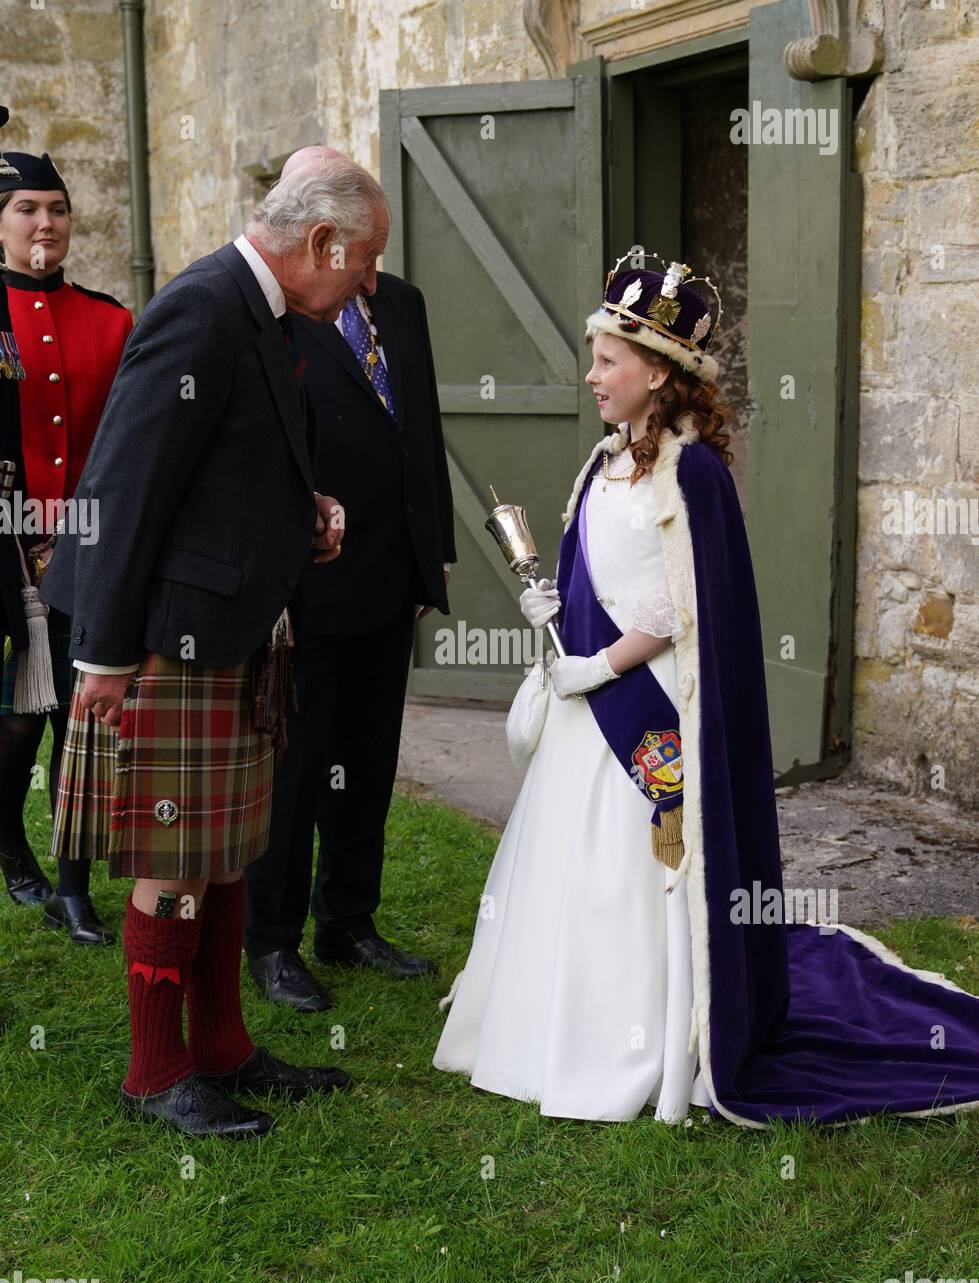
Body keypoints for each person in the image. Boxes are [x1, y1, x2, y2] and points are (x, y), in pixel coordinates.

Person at [434, 253, 979, 1127]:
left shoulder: (692, 474)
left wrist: (600, 665)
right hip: (589, 711)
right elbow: (594, 572)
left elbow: (689, 607)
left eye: (607, 359)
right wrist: (555, 602)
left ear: (657, 373)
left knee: (636, 877)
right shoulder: (600, 463)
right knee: (569, 870)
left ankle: (643, 1042)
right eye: (595, 356)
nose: (593, 375)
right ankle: (547, 1028)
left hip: (647, 703)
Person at [37, 158, 393, 1138]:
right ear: (320, 244)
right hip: (167, 639)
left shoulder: (265, 313)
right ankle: (157, 1073)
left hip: (230, 626)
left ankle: (224, 1047)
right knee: (175, 860)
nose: (367, 281)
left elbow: (230, 467)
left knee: (227, 854)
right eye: (363, 261)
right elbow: (121, 486)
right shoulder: (203, 308)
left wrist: (304, 512)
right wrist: (103, 652)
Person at [244, 148, 454, 1011]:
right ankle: (272, 939)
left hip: (389, 576)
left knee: (366, 761)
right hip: (309, 583)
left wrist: (428, 552)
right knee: (295, 769)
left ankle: (349, 918)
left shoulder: (400, 304)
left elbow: (420, 433)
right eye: (359, 245)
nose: (369, 263)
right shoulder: (274, 314)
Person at [0, 143, 130, 944]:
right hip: (7, 556)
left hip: (95, 553)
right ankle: (14, 850)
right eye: (25, 210)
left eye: (57, 209)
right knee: (18, 719)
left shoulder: (110, 318)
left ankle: (73, 881)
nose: (45, 223)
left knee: (85, 718)